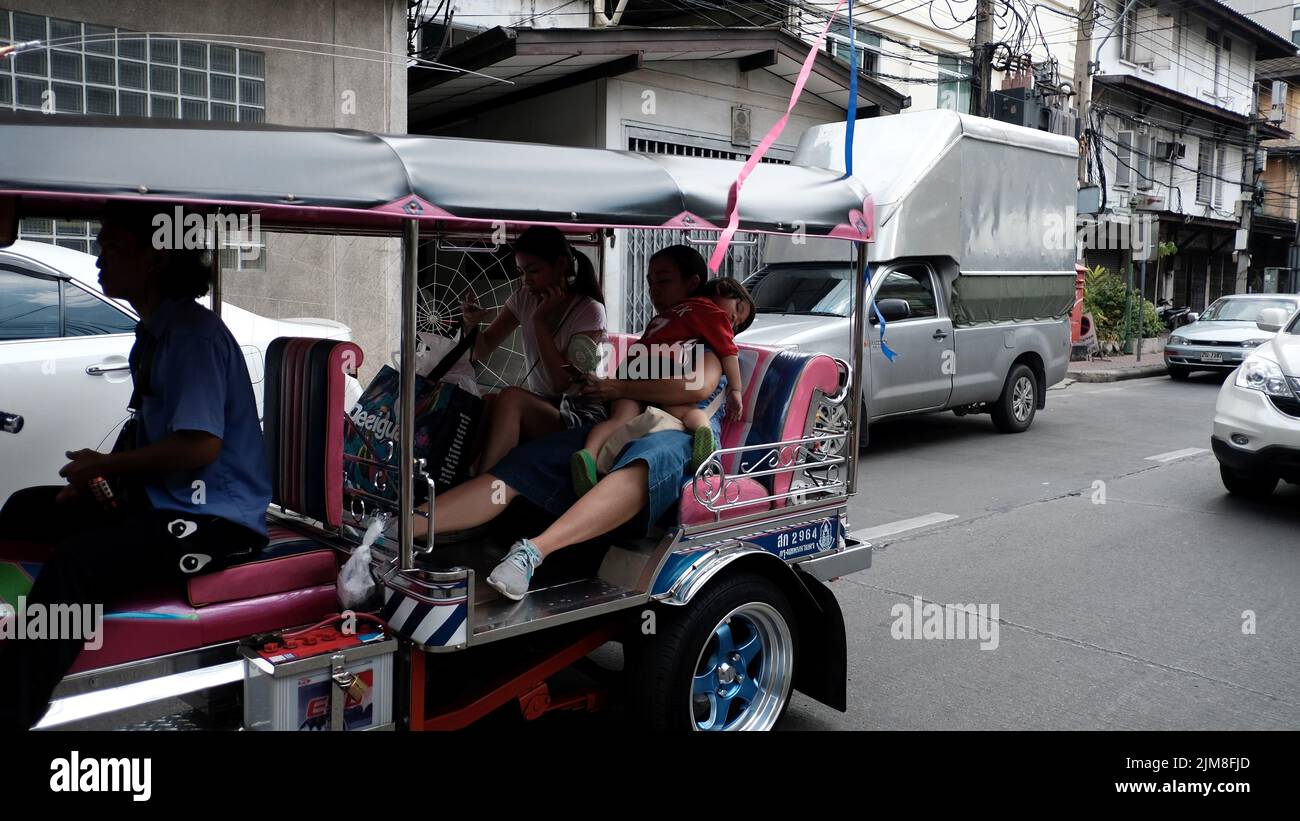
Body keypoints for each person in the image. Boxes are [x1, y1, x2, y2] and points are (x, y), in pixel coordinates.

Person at [0, 205, 271, 731]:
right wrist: (105, 481)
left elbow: (199, 447)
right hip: (163, 502)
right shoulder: (154, 332)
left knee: (77, 563)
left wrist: (110, 463)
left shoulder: (192, 336)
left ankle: (13, 706)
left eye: (113, 247)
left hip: (217, 522)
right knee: (22, 510)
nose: (99, 258)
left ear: (155, 260)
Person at [414, 245, 725, 600]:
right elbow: (624, 388)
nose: (654, 289)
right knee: (526, 461)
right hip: (631, 420)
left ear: (693, 283)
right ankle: (408, 523)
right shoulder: (654, 335)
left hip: (682, 431)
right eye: (650, 281)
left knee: (644, 459)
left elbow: (699, 384)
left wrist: (620, 386)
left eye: (664, 280)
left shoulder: (703, 330)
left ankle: (532, 553)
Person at [570, 276, 755, 495]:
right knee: (684, 409)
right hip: (663, 362)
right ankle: (703, 431)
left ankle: (588, 455)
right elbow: (728, 351)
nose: (732, 319)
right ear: (721, 288)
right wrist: (735, 390)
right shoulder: (712, 313)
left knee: (619, 419)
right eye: (737, 309)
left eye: (736, 324)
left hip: (632, 365)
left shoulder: (671, 311)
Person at [460, 226, 608, 472]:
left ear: (561, 265)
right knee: (486, 402)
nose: (526, 280)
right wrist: (471, 325)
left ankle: (484, 487)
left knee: (510, 397)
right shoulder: (524, 298)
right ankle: (455, 480)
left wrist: (539, 322)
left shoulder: (589, 310)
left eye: (534, 271)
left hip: (578, 412)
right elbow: (482, 351)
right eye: (521, 272)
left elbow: (562, 382)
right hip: (543, 405)